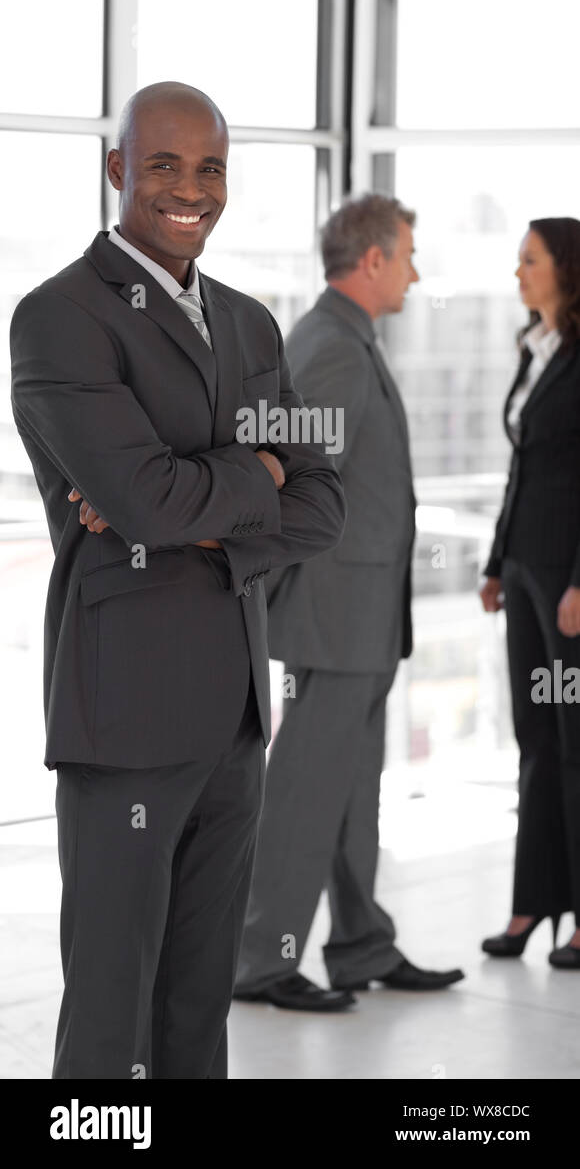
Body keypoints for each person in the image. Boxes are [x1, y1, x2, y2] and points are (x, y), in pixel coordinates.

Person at [9, 80, 345, 1078]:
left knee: (198, 1004)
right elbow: (151, 503)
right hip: (125, 717)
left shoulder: (251, 325)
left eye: (208, 167)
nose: (188, 187)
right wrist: (256, 476)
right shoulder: (58, 318)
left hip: (235, 720)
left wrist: (208, 501)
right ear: (116, 169)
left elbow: (320, 503)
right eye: (163, 164)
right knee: (112, 1006)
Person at [234, 194, 465, 1011]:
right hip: (334, 617)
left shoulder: (346, 339)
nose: (415, 271)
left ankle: (361, 941)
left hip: (359, 618)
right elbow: (291, 477)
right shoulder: (331, 343)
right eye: (407, 255)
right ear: (372, 260)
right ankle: (260, 958)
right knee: (307, 792)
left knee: (350, 790)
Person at [480, 217, 580, 968]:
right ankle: (531, 904)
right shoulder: (534, 346)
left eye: (530, 260)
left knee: (577, 743)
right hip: (521, 567)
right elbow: (520, 469)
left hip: (567, 577)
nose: (518, 272)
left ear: (567, 270)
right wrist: (493, 562)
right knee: (535, 739)